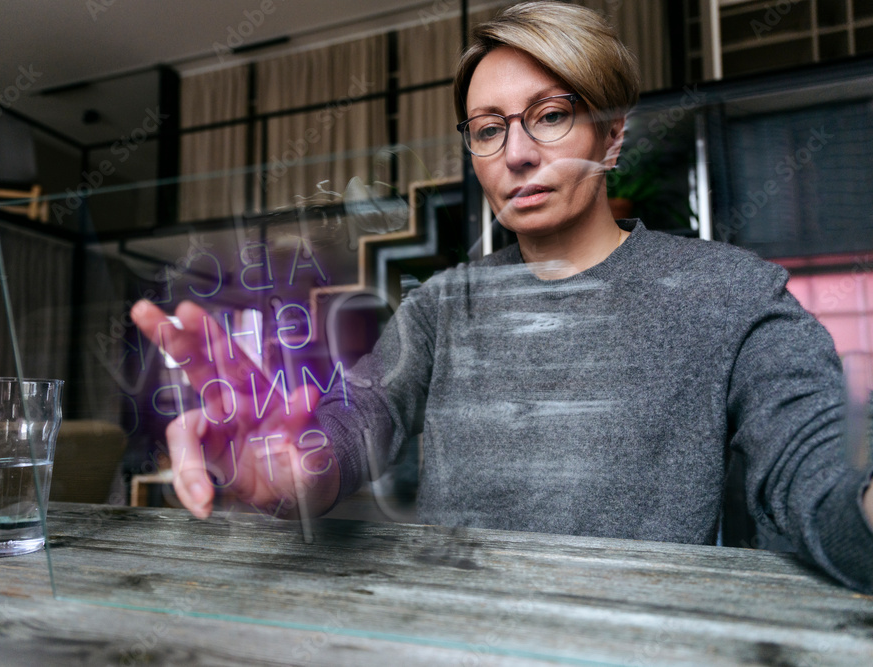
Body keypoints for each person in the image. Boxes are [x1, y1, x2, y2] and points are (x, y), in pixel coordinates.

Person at [131, 1, 873, 592]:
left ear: (611, 137)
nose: (517, 153)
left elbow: (815, 489)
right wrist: (286, 459)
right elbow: (353, 427)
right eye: (488, 130)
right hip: (450, 635)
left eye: (549, 116)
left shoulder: (733, 294)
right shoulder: (442, 307)